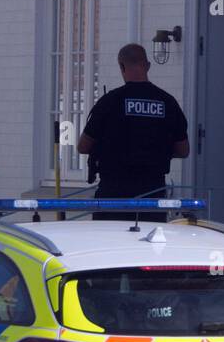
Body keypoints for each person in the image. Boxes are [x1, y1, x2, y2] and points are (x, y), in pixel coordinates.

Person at [78, 43, 189, 221]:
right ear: (148, 66)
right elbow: (183, 150)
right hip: (152, 196)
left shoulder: (109, 102)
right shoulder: (168, 103)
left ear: (122, 66)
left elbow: (83, 146)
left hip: (113, 196)